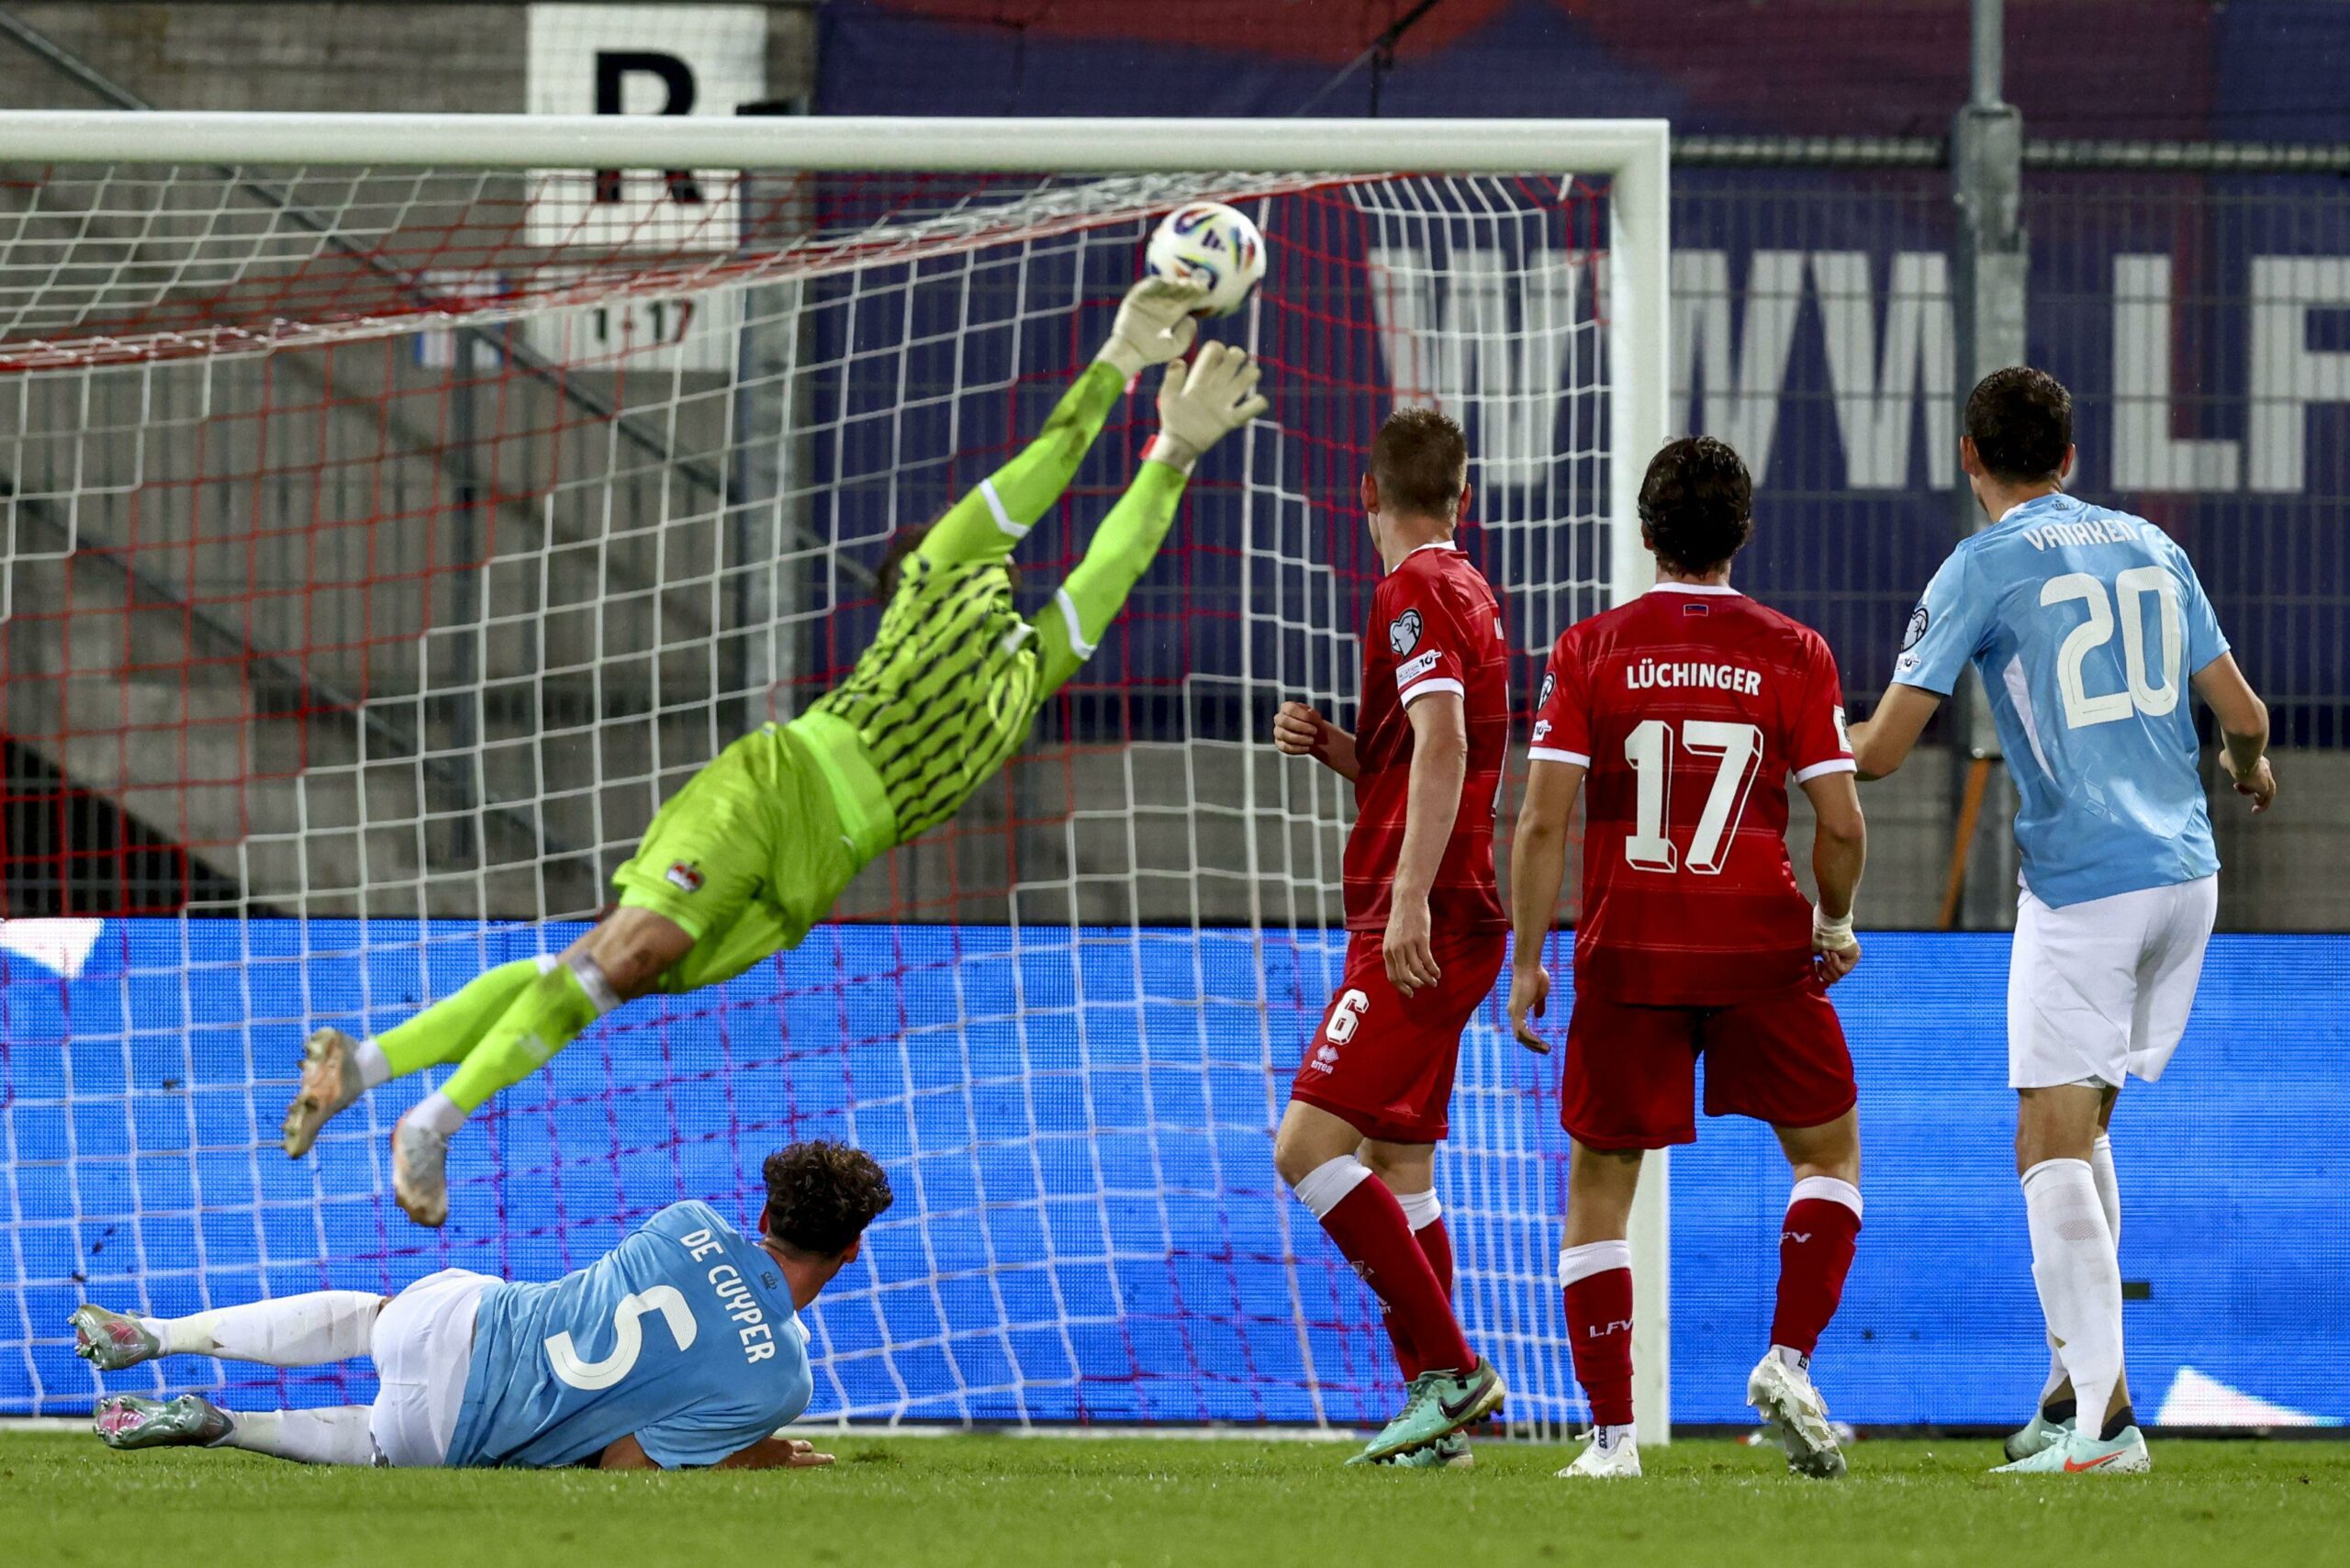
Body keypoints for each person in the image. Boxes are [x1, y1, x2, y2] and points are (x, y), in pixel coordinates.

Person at [280, 276, 1268, 1226]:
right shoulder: (943, 570)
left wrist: (1175, 453)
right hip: (778, 782)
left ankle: (358, 1066)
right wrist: (1118, 363)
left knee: (587, 969)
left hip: (814, 874)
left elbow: (1115, 563)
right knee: (624, 956)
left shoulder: (1023, 672)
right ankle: (430, 1123)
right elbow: (1050, 460)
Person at [1849, 366, 2275, 1477]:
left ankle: (2107, 1423)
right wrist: (2248, 768)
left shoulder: (1980, 565)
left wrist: (1786, 739)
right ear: (2071, 458)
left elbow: (1882, 751)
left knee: (2044, 1141)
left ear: (1966, 455)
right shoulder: (2151, 545)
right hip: (2187, 875)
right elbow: (2244, 713)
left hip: (2087, 886)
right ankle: (2066, 1396)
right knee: (2081, 1133)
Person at [1508, 436, 1868, 1481]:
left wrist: (1530, 959)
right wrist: (1831, 924)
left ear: (1644, 530)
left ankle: (1612, 1437)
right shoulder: (1794, 649)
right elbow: (1838, 824)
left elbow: (1540, 823)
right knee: (1829, 1156)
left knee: (1599, 1185)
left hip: (1629, 948)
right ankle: (1789, 1360)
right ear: (1740, 533)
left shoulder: (1589, 648)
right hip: (1759, 942)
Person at [73, 1140, 890, 1470]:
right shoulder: (781, 1383)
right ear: (853, 1248)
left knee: (375, 1318)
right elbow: (624, 1467)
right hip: (456, 1431)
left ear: (763, 1216)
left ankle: (157, 1331)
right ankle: (221, 1425)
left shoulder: (688, 1223)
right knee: (376, 1436)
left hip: (458, 1320)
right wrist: (753, 1454)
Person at [1269, 407, 1510, 1468]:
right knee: (1399, 1162)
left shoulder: (1411, 590)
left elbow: (1449, 743)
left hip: (1421, 918)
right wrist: (1342, 748)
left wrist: (1407, 900)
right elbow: (1421, 759)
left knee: (1306, 1148)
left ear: (1363, 496)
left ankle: (1450, 1372)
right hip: (1451, 908)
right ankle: (1444, 1431)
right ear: (1464, 500)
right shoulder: (1472, 591)